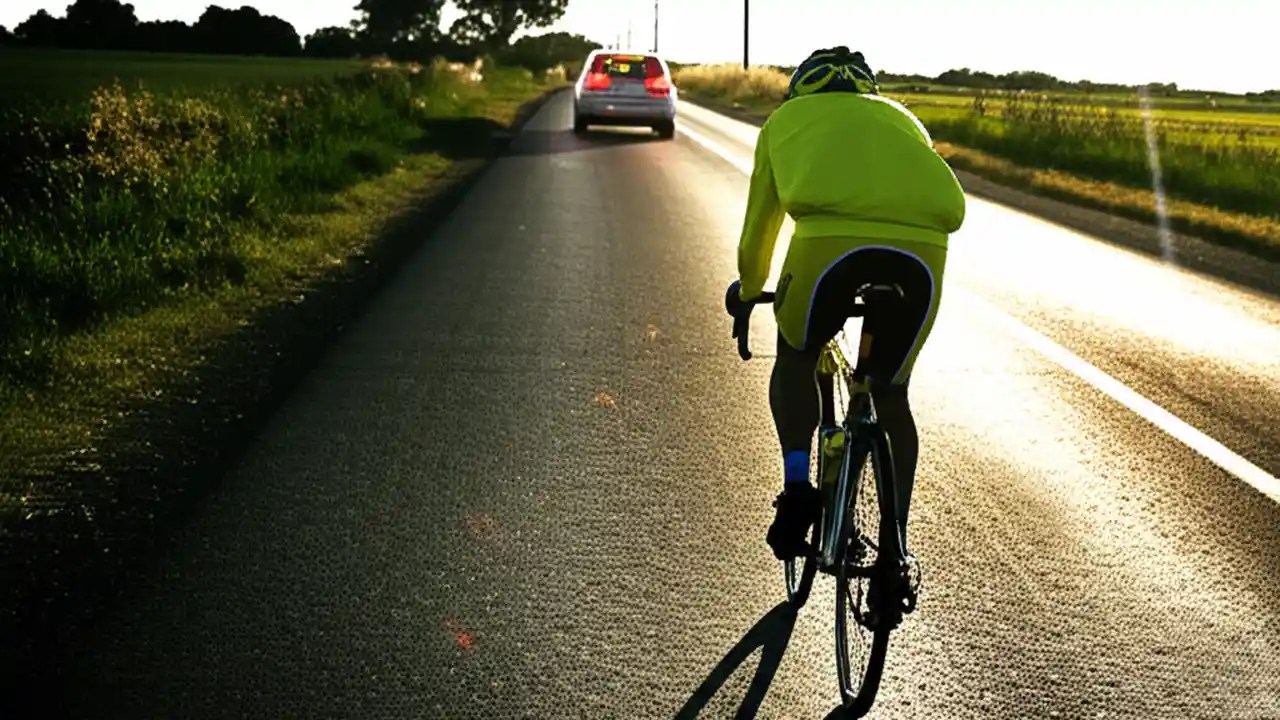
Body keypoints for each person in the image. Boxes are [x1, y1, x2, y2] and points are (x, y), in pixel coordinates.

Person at [731, 47, 967, 560]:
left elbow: (760, 228)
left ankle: (797, 491)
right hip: (923, 253)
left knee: (795, 354)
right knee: (892, 395)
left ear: (801, 89)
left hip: (828, 247)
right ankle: (894, 548)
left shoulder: (783, 120)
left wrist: (750, 290)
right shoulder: (902, 118)